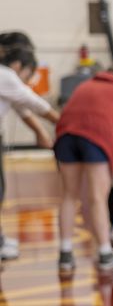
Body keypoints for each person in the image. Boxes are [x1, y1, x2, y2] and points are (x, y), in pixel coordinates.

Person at [54, 65, 113, 273]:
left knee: (69, 195)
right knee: (97, 198)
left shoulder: (86, 84)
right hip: (95, 138)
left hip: (65, 136)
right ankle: (105, 253)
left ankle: (65, 253)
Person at [0, 44, 58, 260]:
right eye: (27, 75)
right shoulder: (6, 75)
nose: (25, 82)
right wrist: (67, 123)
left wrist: (41, 132)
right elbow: (36, 104)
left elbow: (22, 108)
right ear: (17, 65)